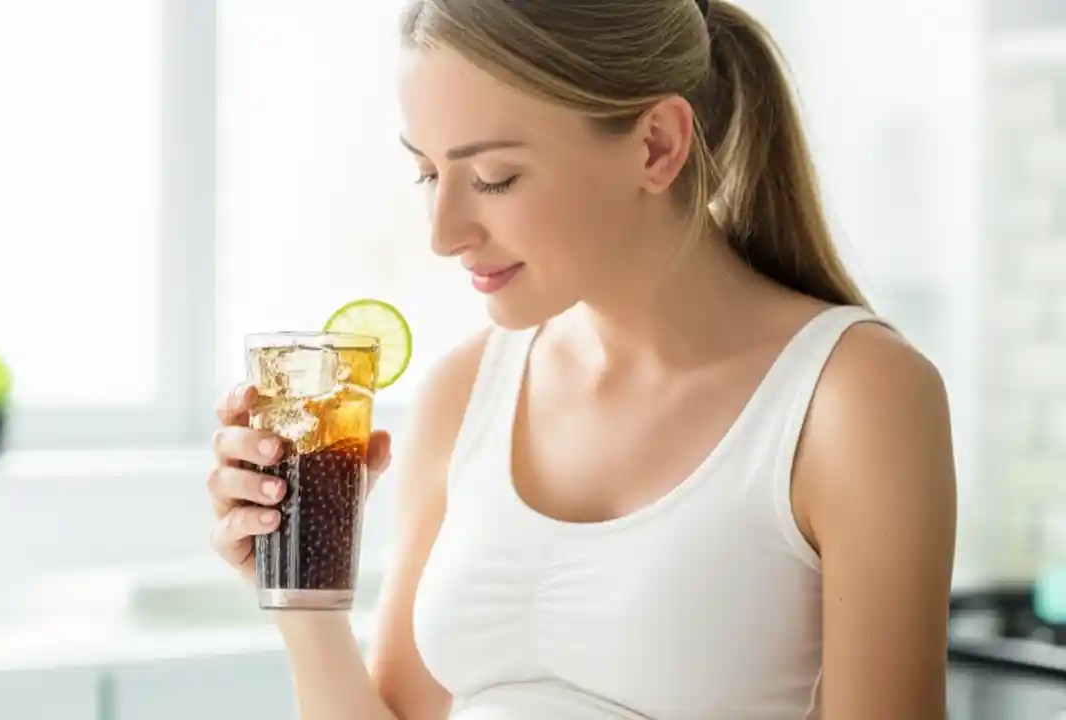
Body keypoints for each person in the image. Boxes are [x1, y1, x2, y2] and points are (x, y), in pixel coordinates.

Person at [207, 0, 957, 717]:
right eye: (429, 174)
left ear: (657, 145)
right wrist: (300, 599)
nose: (443, 232)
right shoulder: (465, 390)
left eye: (494, 178)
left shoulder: (853, 398)